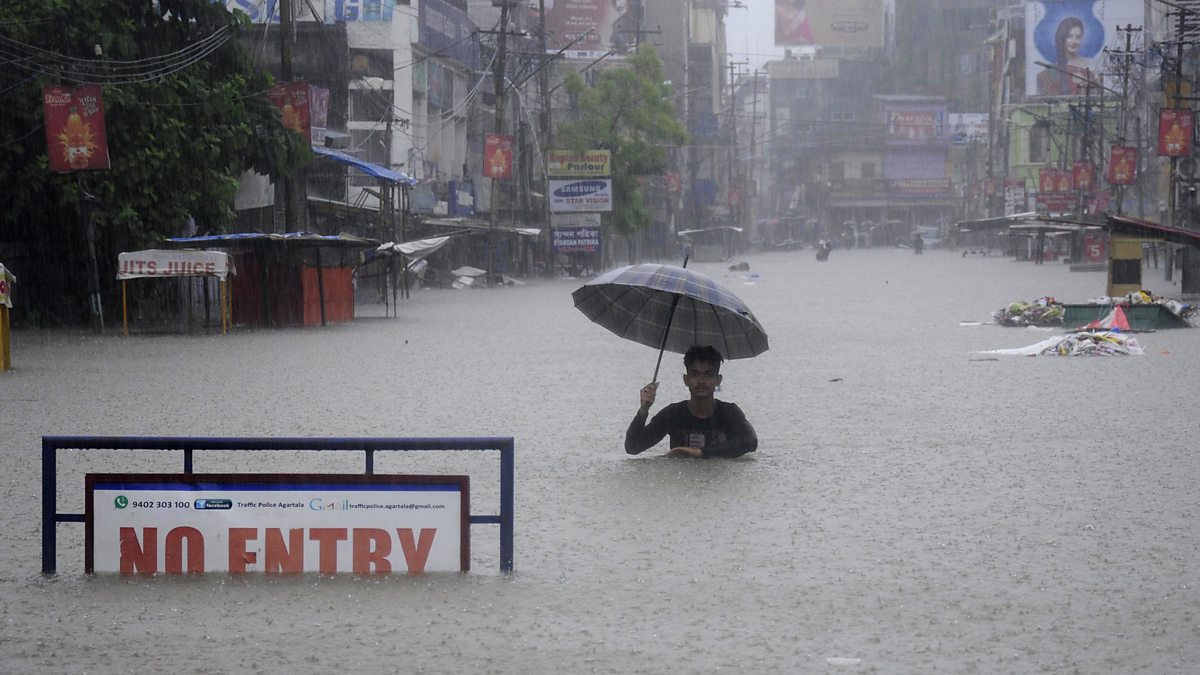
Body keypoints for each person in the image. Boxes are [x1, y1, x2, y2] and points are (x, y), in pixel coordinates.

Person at [625, 345, 757, 459]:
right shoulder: (674, 414)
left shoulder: (729, 413)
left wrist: (700, 453)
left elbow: (751, 441)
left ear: (718, 380)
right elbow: (632, 447)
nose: (701, 381)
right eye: (695, 374)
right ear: (686, 379)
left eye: (708, 374)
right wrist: (643, 410)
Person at [1036, 16, 1097, 96]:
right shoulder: (1049, 72)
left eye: (1078, 37)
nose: (1074, 41)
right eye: (1069, 36)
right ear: (1062, 38)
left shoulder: (1091, 64)